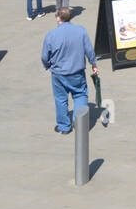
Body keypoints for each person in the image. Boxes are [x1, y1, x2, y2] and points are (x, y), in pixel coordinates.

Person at [40, 7, 97, 135]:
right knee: (80, 95)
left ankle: (64, 126)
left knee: (61, 99)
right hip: (77, 71)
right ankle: (80, 123)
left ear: (58, 18)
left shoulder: (51, 35)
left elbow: (44, 56)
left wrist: (47, 65)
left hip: (59, 73)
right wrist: (93, 63)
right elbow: (89, 50)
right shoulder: (81, 31)